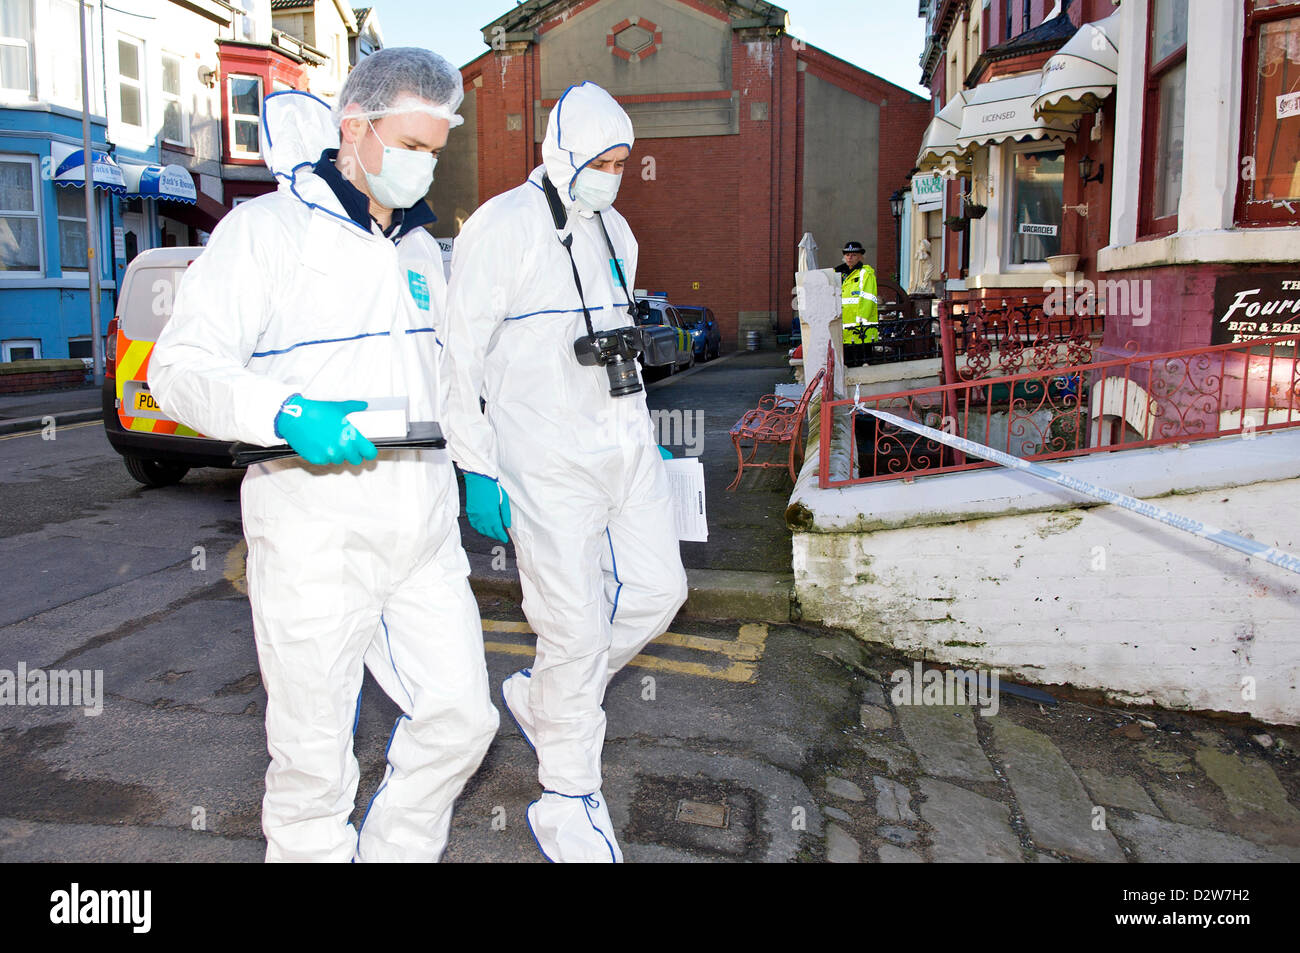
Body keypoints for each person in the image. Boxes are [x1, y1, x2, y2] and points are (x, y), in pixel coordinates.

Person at [147, 49, 498, 863]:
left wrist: (477, 464)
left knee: (461, 717)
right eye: (412, 145)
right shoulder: (266, 232)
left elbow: (446, 378)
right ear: (356, 128)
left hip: (421, 530)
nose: (425, 165)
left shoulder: (417, 248)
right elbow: (180, 369)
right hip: (314, 530)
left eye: (435, 150)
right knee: (312, 759)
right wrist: (284, 409)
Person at [440, 81, 688, 863]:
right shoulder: (501, 227)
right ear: (563, 153)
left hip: (624, 447)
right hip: (544, 463)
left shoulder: (617, 231)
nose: (615, 175)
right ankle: (567, 796)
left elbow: (618, 340)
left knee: (659, 591)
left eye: (624, 161)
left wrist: (649, 438)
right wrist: (475, 466)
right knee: (574, 625)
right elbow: (458, 358)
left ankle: (547, 695)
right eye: (604, 161)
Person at [835, 240, 880, 344]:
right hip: (844, 328)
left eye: (854, 255)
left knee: (862, 359)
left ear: (860, 257)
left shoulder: (866, 273)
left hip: (861, 330)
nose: (850, 257)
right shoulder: (838, 273)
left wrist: (861, 319)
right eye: (847, 254)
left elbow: (868, 298)